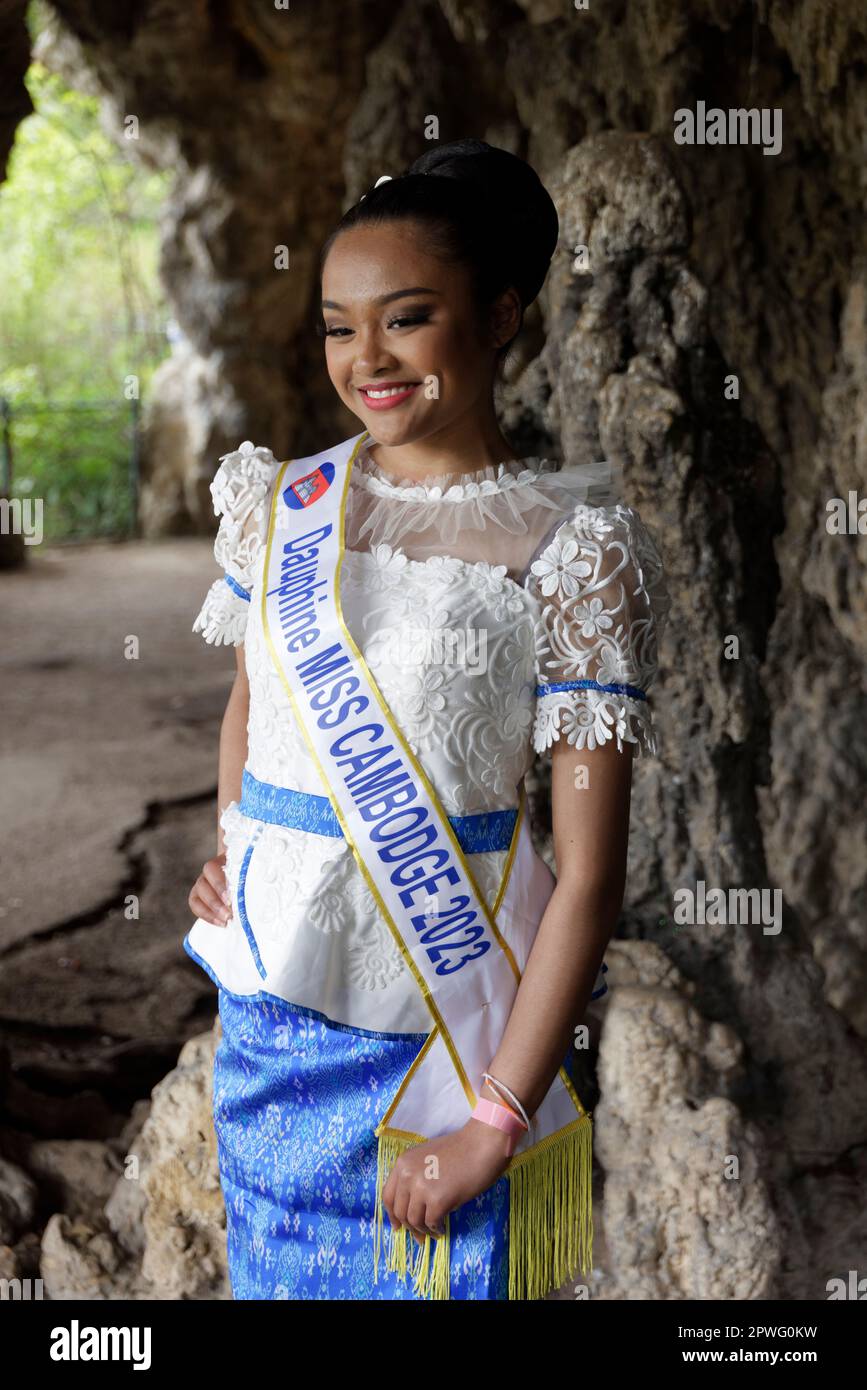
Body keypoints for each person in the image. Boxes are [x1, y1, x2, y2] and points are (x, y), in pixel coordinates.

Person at [185, 137, 669, 1301]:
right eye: (340, 327)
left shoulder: (574, 552)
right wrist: (235, 847)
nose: (369, 360)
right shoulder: (286, 502)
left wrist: (498, 1117)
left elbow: (590, 877)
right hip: (271, 1028)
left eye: (406, 318)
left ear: (500, 316)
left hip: (445, 1048)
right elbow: (252, 710)